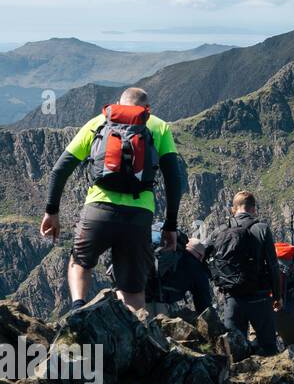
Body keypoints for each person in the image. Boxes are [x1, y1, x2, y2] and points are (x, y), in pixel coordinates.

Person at [40, 87, 186, 318]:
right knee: (132, 289)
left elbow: (60, 169)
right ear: (147, 109)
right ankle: (134, 333)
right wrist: (170, 226)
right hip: (139, 216)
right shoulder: (158, 126)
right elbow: (173, 179)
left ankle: (78, 309)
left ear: (118, 103)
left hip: (98, 210)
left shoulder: (99, 121)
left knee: (80, 262)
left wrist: (52, 211)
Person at [208, 191, 281, 355]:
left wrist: (219, 281)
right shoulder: (261, 229)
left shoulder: (220, 230)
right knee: (268, 347)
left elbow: (205, 256)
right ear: (253, 209)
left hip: (232, 298)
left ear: (233, 209)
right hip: (260, 297)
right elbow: (273, 265)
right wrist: (277, 296)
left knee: (234, 350)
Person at [146, 230, 212, 317]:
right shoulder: (196, 267)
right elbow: (204, 305)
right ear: (200, 255)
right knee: (157, 327)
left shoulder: (173, 255)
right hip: (157, 300)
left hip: (137, 288)